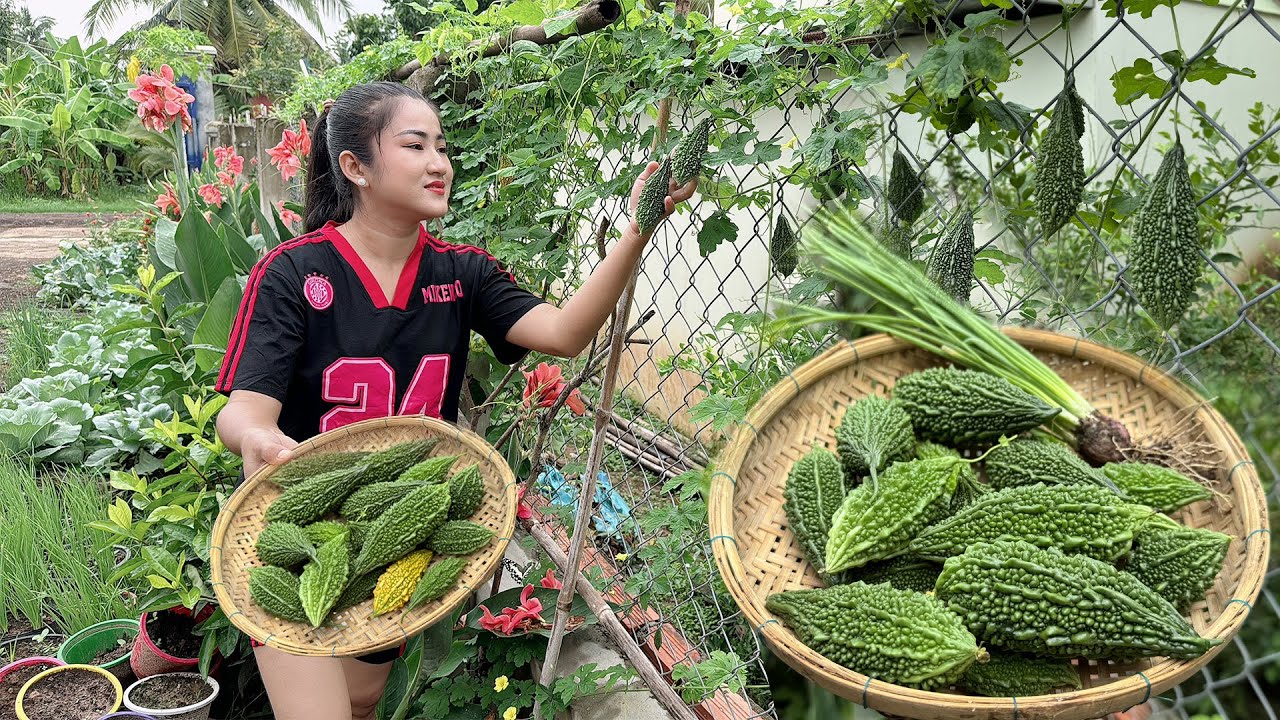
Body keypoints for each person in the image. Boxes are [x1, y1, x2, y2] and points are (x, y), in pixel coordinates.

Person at [212, 81, 696, 720]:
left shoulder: (461, 273)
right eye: (416, 146)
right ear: (355, 167)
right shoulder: (294, 273)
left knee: (364, 700)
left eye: (442, 146)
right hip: (304, 525)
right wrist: (259, 439)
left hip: (412, 535)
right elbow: (243, 410)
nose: (439, 162)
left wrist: (638, 227)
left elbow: (563, 332)